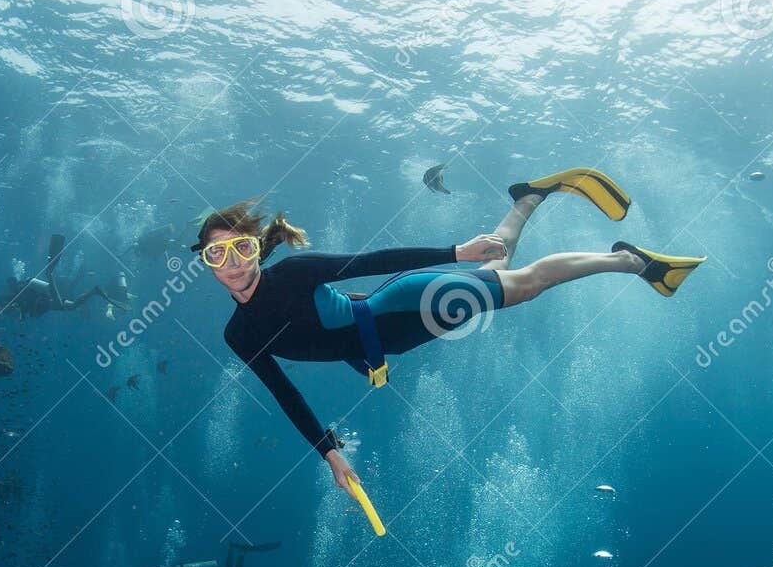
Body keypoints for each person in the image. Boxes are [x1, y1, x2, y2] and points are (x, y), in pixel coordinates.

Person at [197, 167, 704, 498]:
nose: (232, 263)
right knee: (503, 261)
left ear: (256, 249)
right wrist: (329, 453)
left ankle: (630, 260)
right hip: (400, 337)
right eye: (216, 255)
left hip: (402, 304)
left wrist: (454, 253)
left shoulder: (295, 273)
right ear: (206, 265)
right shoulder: (238, 335)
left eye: (240, 248)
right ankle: (527, 199)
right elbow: (283, 392)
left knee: (523, 285)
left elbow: (375, 261)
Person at [0, 233, 132, 318]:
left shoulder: (11, 298)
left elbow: (16, 301)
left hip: (40, 292)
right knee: (72, 306)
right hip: (43, 299)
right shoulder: (14, 302)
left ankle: (50, 271)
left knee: (59, 300)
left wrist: (4, 307)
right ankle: (94, 291)